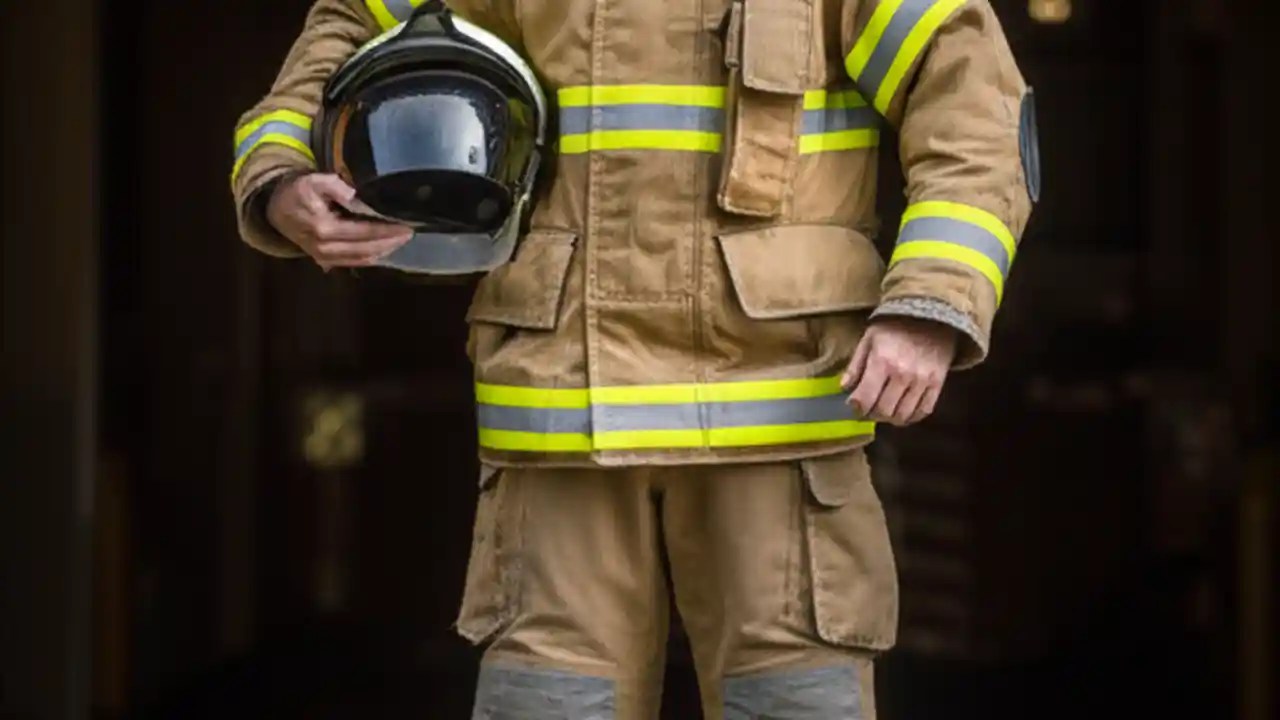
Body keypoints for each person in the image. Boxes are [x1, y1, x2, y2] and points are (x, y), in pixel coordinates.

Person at [230, 0, 1037, 717]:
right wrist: (279, 173)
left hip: (777, 417)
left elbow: (974, 114)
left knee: (794, 700)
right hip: (565, 420)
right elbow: (353, 25)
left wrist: (932, 303)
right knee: (550, 701)